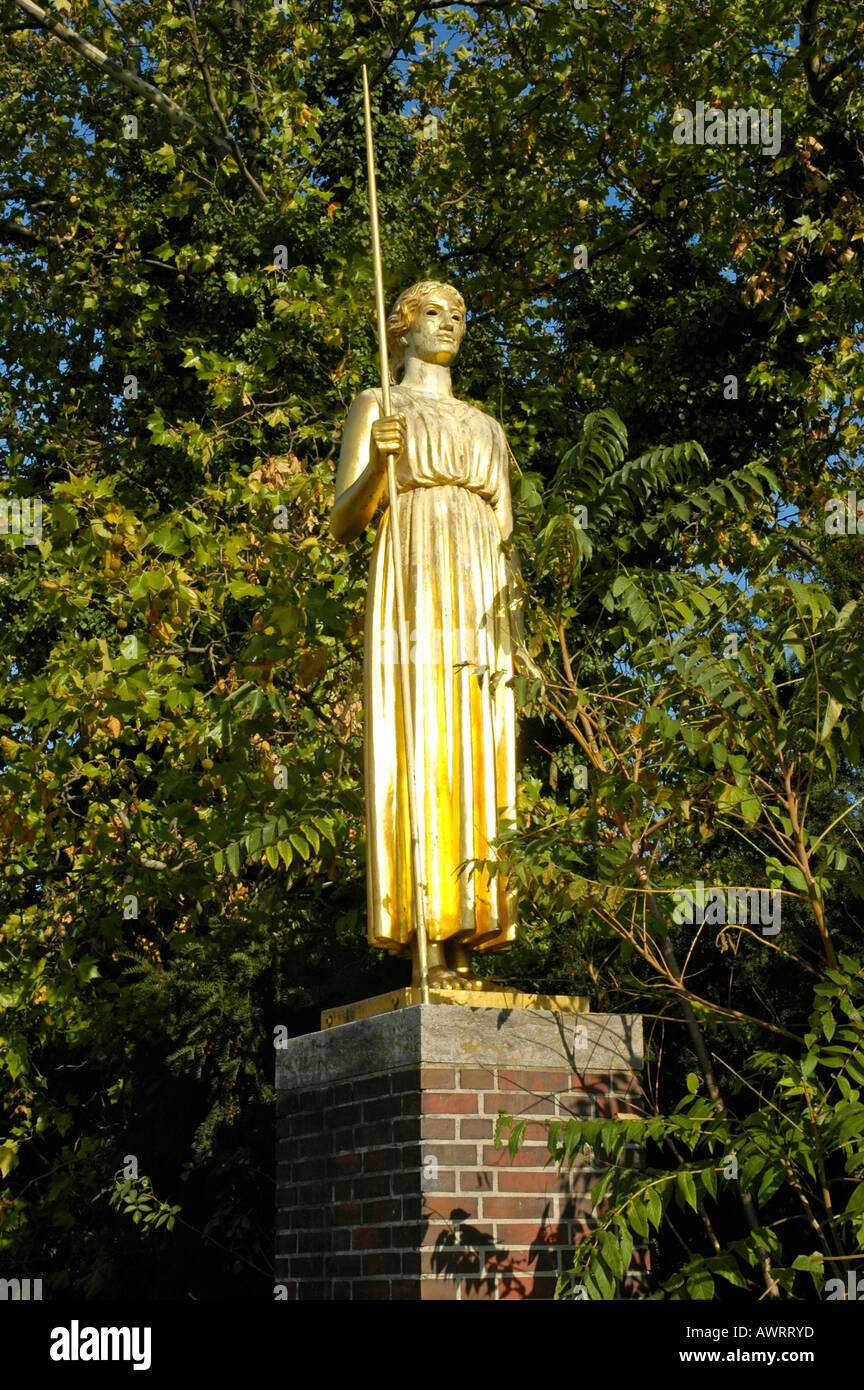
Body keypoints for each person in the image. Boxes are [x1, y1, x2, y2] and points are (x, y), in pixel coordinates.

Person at [330, 280, 520, 989]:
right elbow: (344, 521)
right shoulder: (379, 405)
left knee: (477, 741)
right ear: (403, 327)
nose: (450, 326)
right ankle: (425, 939)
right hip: (412, 579)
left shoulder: (487, 429)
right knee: (424, 733)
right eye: (434, 314)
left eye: (460, 316)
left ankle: (468, 934)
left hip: (477, 588)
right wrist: (379, 468)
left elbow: (505, 535)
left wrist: (517, 630)